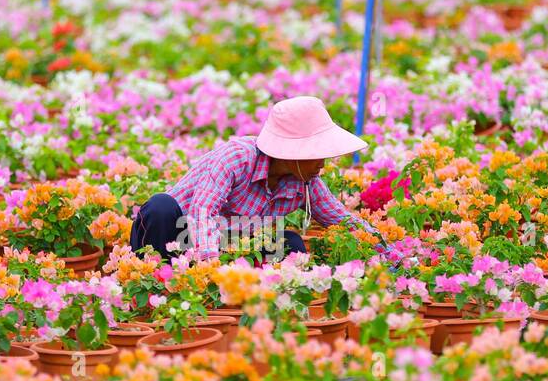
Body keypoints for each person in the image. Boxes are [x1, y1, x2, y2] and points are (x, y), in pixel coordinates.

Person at [129, 96, 381, 261]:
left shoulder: (305, 179)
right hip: (178, 235)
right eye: (315, 154)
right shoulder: (237, 158)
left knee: (290, 243)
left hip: (229, 244)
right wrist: (209, 270)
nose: (322, 163)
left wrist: (388, 253)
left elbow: (342, 219)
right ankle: (159, 285)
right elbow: (202, 212)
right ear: (291, 151)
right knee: (160, 206)